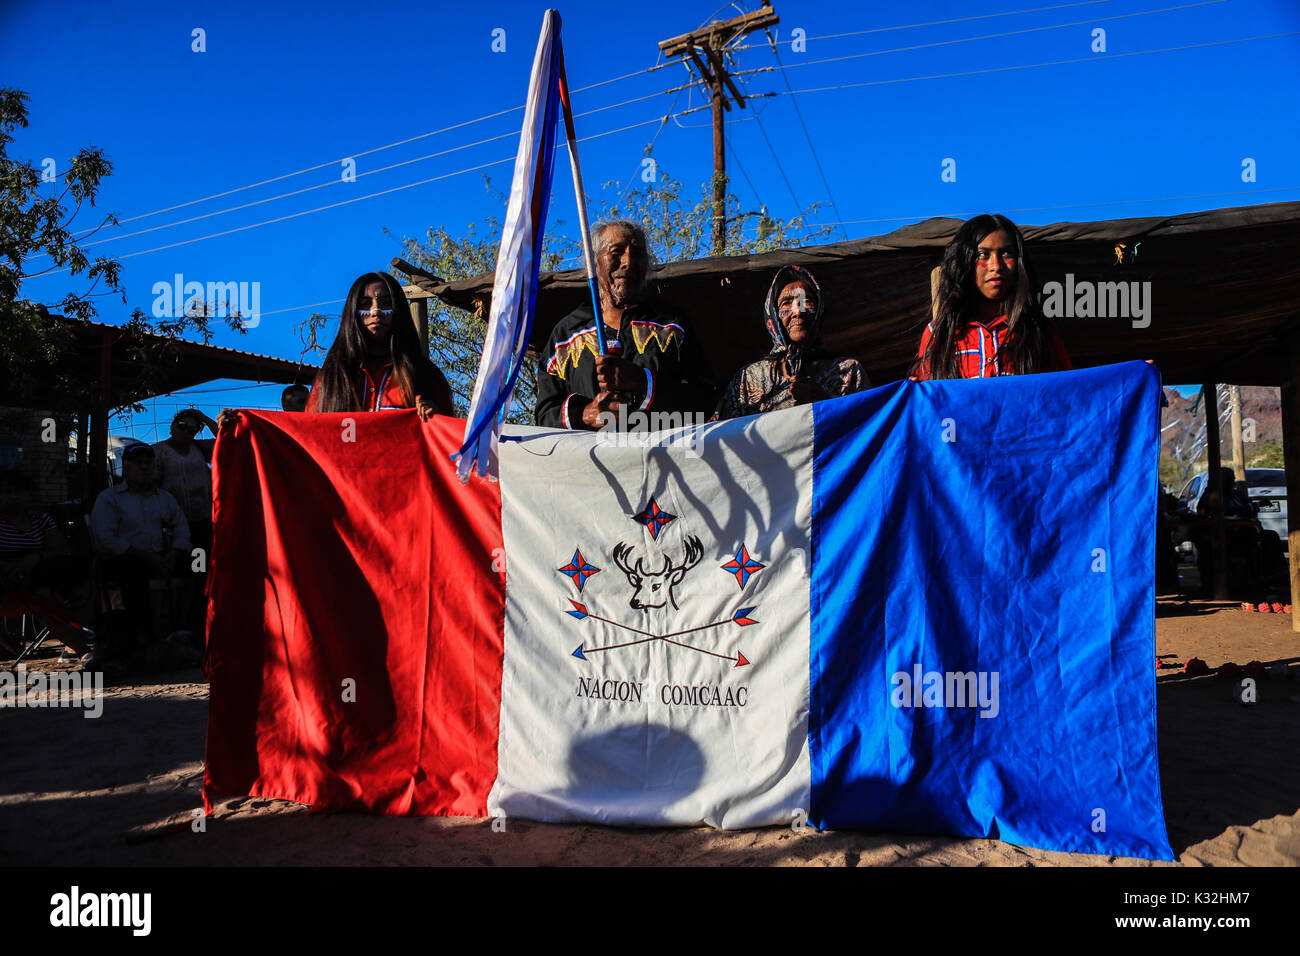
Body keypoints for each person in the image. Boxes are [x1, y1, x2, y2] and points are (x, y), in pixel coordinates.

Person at [535, 220, 713, 429]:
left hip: (661, 448)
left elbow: (705, 400)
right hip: (593, 451)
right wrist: (586, 414)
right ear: (594, 262)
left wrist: (642, 382)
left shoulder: (671, 324)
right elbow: (544, 415)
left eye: (638, 253)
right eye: (616, 251)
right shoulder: (566, 334)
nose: (628, 262)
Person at [913, 214, 1071, 380]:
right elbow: (928, 391)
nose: (996, 266)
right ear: (965, 261)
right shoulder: (940, 333)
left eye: (1006, 253)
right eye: (983, 254)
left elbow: (1064, 389)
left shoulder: (1040, 330)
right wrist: (915, 389)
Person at [713, 265, 868, 420]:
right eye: (786, 303)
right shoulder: (748, 378)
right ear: (773, 313)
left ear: (819, 310)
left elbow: (869, 425)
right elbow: (723, 431)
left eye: (806, 301)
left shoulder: (849, 371)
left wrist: (823, 403)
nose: (798, 311)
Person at [306, 272, 453, 418]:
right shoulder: (331, 377)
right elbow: (311, 428)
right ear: (353, 313)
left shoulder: (425, 375)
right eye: (365, 304)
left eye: (386, 303)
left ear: (399, 310)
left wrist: (435, 417)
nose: (376, 311)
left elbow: (447, 430)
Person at [90, 443, 190, 657]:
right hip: (125, 559)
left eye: (148, 463)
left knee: (200, 566)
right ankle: (139, 638)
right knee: (127, 573)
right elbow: (106, 540)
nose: (144, 468)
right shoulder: (110, 498)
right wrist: (144, 556)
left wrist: (175, 551)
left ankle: (192, 632)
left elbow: (181, 527)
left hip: (164, 557)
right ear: (126, 467)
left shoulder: (164, 498)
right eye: (138, 463)